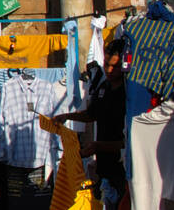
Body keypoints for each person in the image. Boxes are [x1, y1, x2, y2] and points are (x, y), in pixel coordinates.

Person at [51, 39, 127, 192]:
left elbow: (127, 141)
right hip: (103, 165)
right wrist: (67, 116)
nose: (109, 70)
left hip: (122, 165)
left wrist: (98, 146)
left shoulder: (128, 94)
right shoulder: (104, 88)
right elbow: (92, 114)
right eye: (106, 64)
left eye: (115, 66)